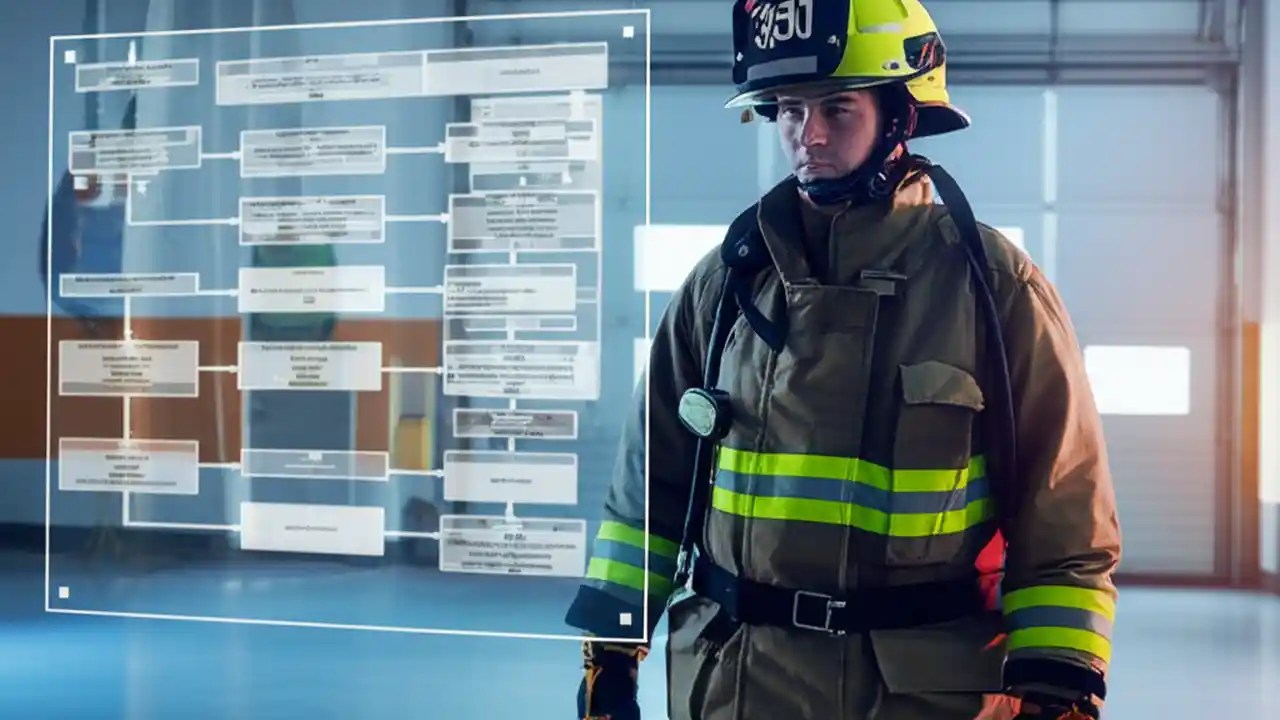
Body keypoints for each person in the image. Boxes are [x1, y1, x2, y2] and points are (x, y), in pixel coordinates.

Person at [567, 1, 1122, 719]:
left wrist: (1060, 686)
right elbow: (647, 492)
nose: (810, 135)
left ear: (900, 115)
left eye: (838, 107)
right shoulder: (727, 282)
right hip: (735, 687)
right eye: (790, 111)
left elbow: (1066, 520)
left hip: (915, 698)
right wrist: (610, 656)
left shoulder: (992, 288)